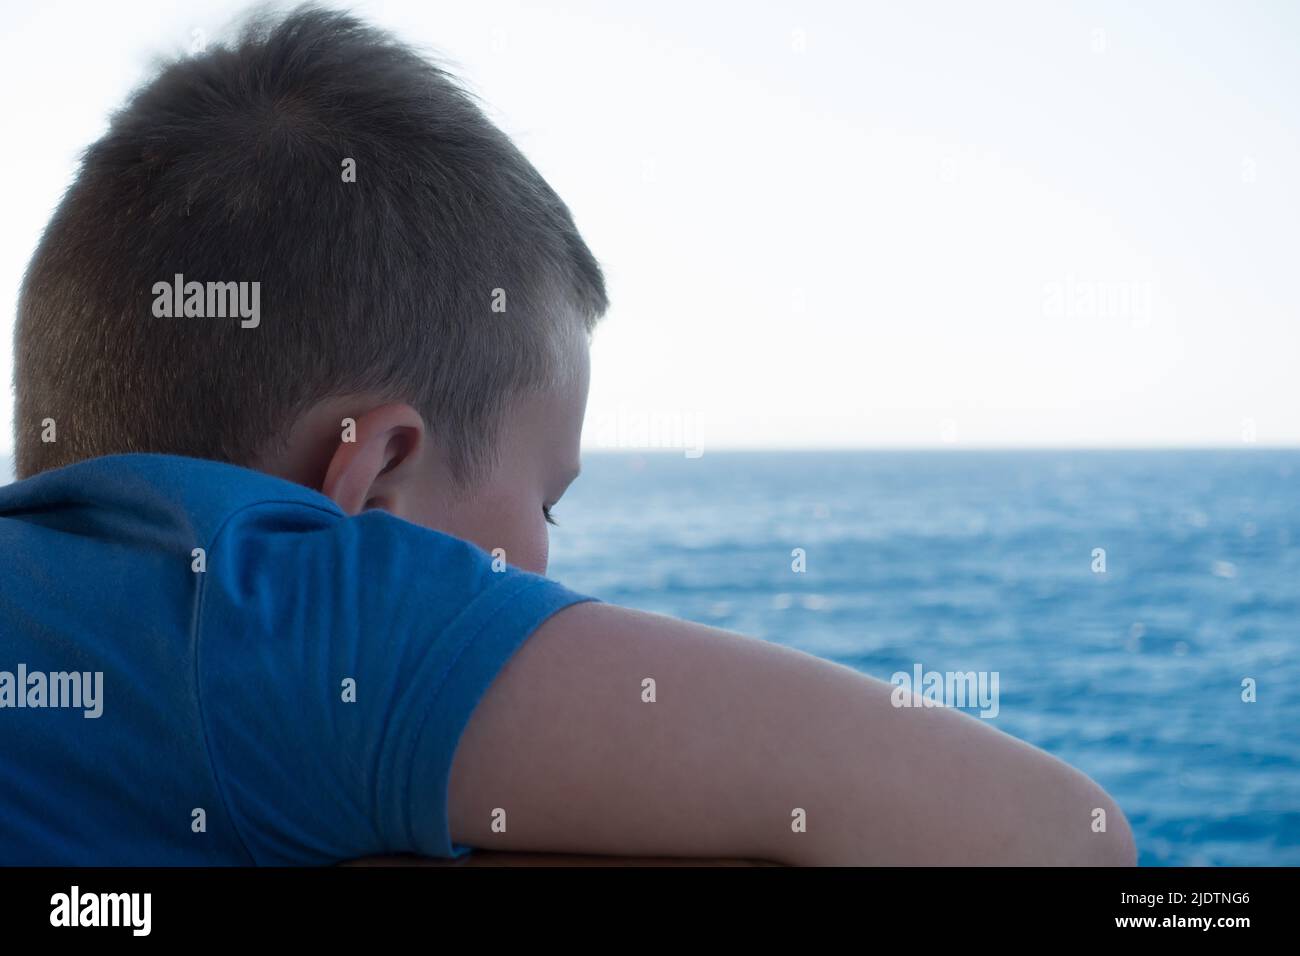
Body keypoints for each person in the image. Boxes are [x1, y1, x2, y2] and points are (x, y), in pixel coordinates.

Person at [1, 5, 1135, 866]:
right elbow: (1061, 831)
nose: (548, 551)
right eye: (547, 501)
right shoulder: (273, 612)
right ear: (374, 478)